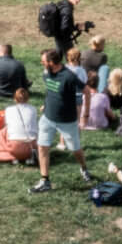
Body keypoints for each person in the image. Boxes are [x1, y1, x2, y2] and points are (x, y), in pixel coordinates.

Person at [30, 47, 90, 192]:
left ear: (52, 62)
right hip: (48, 118)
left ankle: (84, 168)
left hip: (67, 121)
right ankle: (45, 180)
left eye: (43, 61)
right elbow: (50, 90)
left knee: (75, 149)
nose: (41, 63)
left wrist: (85, 115)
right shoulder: (47, 73)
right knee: (42, 146)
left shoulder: (69, 77)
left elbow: (87, 91)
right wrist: (46, 104)